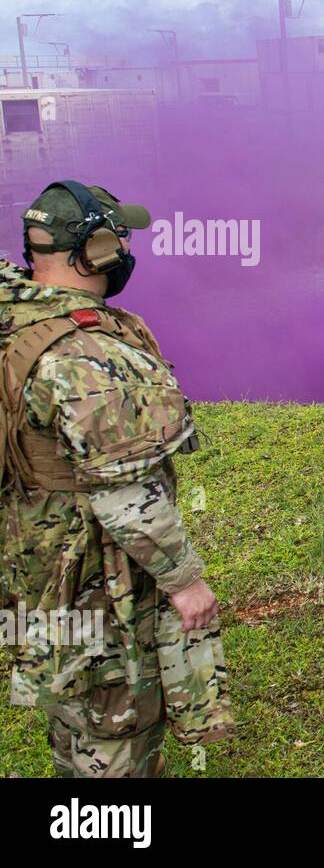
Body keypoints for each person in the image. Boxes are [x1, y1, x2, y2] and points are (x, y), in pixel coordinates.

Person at [0, 181, 232, 777]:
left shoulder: (17, 321)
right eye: (118, 238)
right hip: (92, 576)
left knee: (76, 709)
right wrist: (185, 582)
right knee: (113, 729)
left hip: (33, 559)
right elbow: (126, 492)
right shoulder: (85, 352)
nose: (126, 250)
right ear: (95, 251)